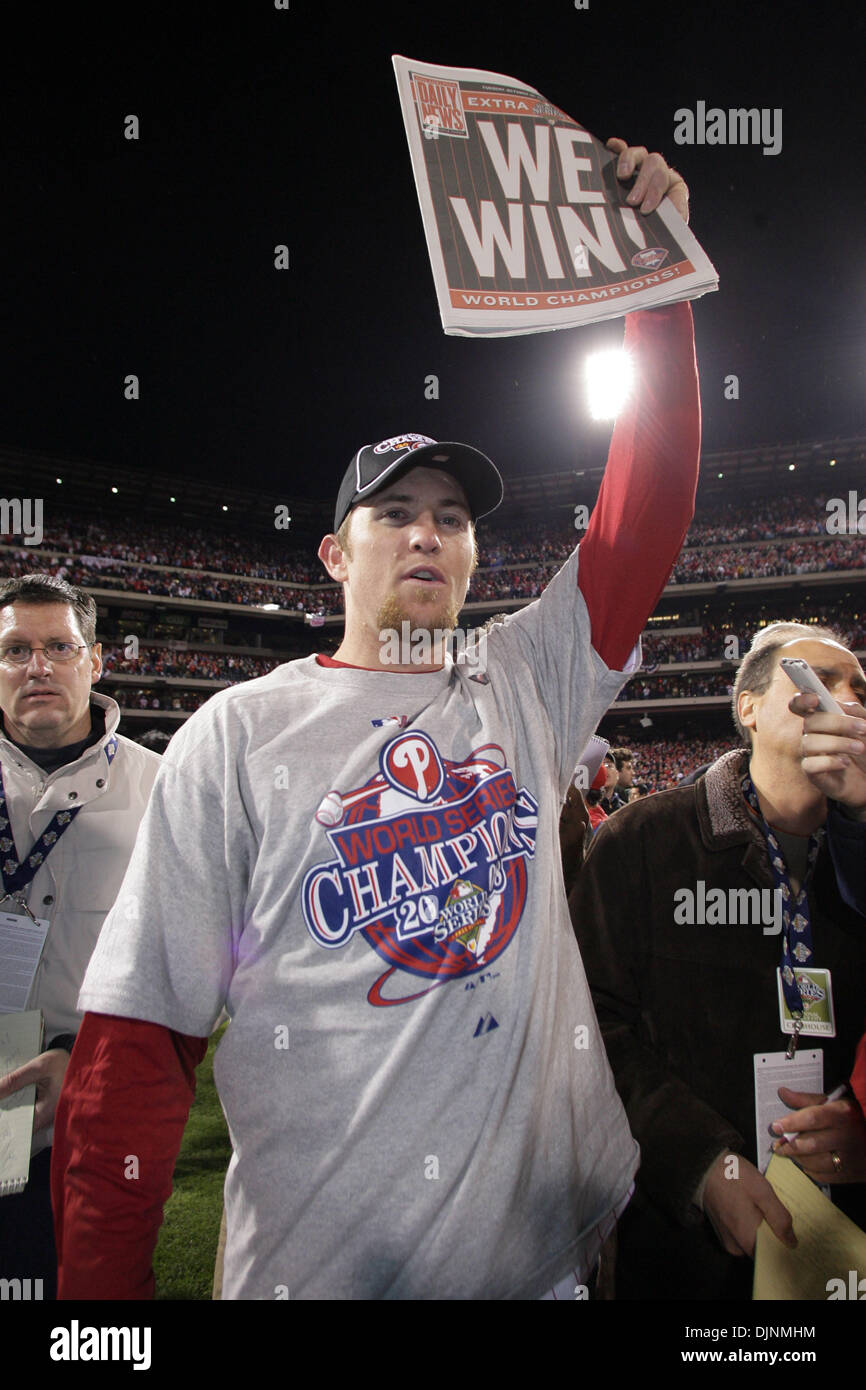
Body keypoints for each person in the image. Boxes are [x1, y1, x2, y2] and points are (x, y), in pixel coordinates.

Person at [52, 135, 702, 1300]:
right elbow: (138, 1046)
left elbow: (640, 518)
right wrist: (99, 1311)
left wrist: (657, 295)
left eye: (450, 518)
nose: (425, 534)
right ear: (331, 552)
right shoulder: (237, 734)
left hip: (537, 1262)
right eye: (394, 512)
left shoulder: (522, 676)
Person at [569, 621, 866, 1299]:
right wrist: (702, 1163)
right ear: (749, 709)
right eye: (814, 679)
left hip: (835, 1242)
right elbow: (589, 1030)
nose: (845, 698)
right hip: (684, 1247)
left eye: (859, 687)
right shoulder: (642, 842)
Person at [0, 574, 160, 1297]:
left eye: (59, 647)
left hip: (93, 1125)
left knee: (95, 1326)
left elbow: (203, 969)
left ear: (95, 661)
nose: (37, 666)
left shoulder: (164, 790)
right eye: (15, 650)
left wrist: (90, 1062)